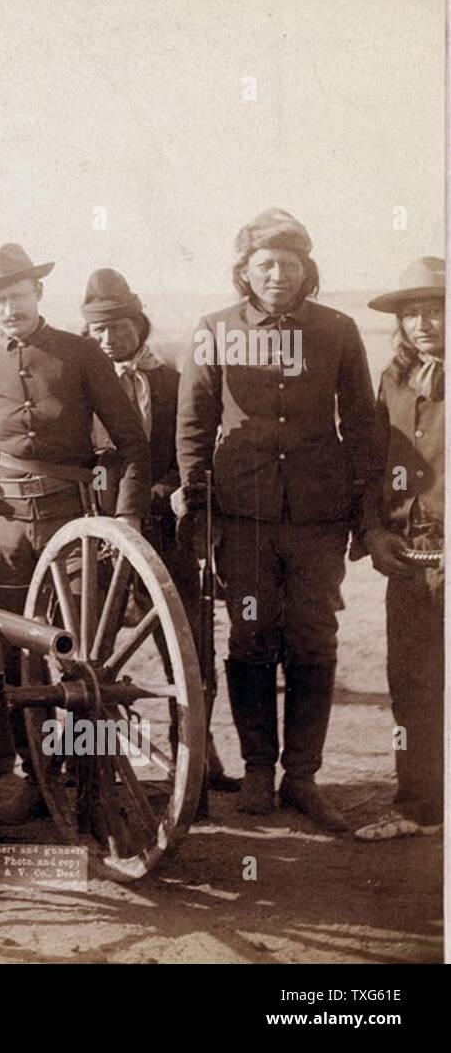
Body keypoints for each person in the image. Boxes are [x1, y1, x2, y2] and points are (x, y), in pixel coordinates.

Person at [0, 244, 151, 824]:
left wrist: (129, 517)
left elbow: (133, 444)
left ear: (38, 294)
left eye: (18, 295)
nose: (10, 307)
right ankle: (37, 782)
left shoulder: (81, 353)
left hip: (74, 524)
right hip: (2, 531)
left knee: (85, 658)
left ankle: (92, 780)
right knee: (22, 659)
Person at [175, 208, 382, 833]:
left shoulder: (339, 330)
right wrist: (199, 505)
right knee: (251, 636)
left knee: (315, 637)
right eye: (265, 264)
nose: (278, 275)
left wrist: (364, 513)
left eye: (289, 264)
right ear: (244, 271)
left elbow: (364, 426)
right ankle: (259, 768)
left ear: (305, 269)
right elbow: (194, 425)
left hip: (320, 516)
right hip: (244, 516)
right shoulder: (214, 330)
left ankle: (303, 778)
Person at [79, 268, 240, 803]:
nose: (109, 340)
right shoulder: (78, 385)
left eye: (119, 328)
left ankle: (195, 750)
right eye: (98, 330)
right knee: (86, 647)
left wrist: (171, 486)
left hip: (163, 529)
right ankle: (83, 765)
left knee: (187, 642)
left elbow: (189, 446)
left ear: (139, 327)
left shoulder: (171, 382)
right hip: (94, 527)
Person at [355, 257, 444, 841]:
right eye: (412, 313)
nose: (424, 323)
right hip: (411, 558)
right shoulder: (392, 381)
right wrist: (374, 531)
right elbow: (371, 463)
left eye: (435, 310)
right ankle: (418, 807)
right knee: (412, 687)